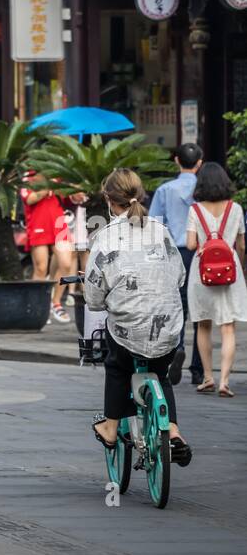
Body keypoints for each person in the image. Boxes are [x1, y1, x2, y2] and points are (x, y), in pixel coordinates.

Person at [84, 168, 191, 466]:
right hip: (169, 326)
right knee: (161, 373)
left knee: (117, 366)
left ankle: (110, 427)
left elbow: (93, 299)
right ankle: (173, 432)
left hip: (129, 329)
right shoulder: (161, 230)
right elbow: (179, 276)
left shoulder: (105, 238)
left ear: (108, 199)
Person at [185, 161, 247, 398]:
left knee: (203, 324)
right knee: (228, 327)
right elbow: (241, 244)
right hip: (230, 271)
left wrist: (203, 242)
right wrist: (239, 265)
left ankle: (208, 377)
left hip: (203, 271)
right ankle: (224, 382)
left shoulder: (195, 210)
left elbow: (191, 244)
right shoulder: (236, 209)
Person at [148, 142, 203, 386]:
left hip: (174, 253)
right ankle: (200, 370)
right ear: (199, 163)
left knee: (177, 306)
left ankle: (177, 348)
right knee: (202, 310)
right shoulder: (207, 189)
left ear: (177, 161)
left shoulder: (164, 190)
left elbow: (154, 227)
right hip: (202, 254)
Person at [21, 173, 73, 323]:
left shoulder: (58, 173)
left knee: (67, 264)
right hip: (38, 223)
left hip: (58, 223)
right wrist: (49, 185)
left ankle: (55, 303)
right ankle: (37, 306)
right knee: (40, 269)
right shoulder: (28, 177)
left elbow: (72, 198)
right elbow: (30, 199)